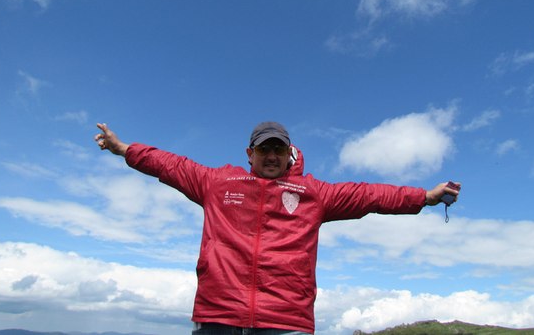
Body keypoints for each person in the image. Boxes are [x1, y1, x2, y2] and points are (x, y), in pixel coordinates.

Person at [94, 121, 460, 335]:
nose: (271, 156)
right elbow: (169, 165)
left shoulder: (314, 194)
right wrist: (123, 148)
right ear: (249, 153)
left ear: (289, 154)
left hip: (286, 320)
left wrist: (424, 197)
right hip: (218, 316)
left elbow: (369, 195)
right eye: (264, 149)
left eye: (278, 150)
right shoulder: (217, 183)